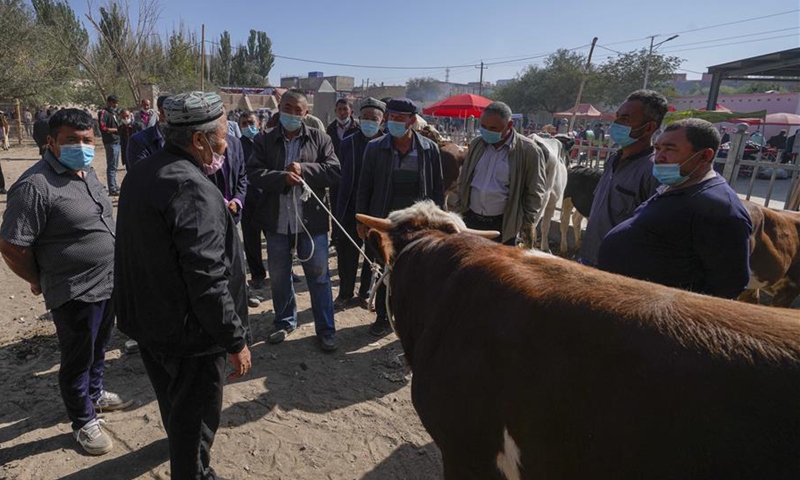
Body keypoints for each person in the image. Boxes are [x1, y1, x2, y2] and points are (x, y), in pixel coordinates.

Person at [115, 92, 251, 480]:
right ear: (198, 139)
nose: (226, 145)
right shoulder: (191, 188)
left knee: (175, 408)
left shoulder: (143, 171)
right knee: (195, 424)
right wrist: (235, 340)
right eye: (222, 136)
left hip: (152, 325)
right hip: (191, 337)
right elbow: (207, 279)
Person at [0, 109, 132, 456]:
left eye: (87, 140)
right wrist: (38, 278)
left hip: (107, 281)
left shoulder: (87, 172)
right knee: (77, 358)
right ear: (51, 142)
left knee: (99, 346)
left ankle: (95, 393)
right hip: (74, 290)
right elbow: (12, 246)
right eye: (71, 140)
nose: (82, 147)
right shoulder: (34, 186)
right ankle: (83, 420)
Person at [597, 118, 753, 299]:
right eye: (658, 149)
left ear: (704, 156)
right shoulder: (675, 186)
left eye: (670, 149)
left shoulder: (719, 208)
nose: (659, 157)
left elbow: (729, 286)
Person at [246, 90, 341, 351]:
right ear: (279, 108)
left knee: (319, 276)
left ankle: (326, 330)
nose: (291, 114)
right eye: (287, 108)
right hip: (276, 222)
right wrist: (281, 178)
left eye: (297, 110)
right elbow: (253, 173)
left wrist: (305, 170)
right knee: (279, 276)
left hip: (312, 225)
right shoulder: (264, 139)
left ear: (305, 113)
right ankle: (285, 321)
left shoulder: (321, 139)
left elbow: (334, 172)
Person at [356, 97, 444, 336]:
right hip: (386, 219)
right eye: (391, 117)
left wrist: (439, 221)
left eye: (399, 118)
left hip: (418, 222)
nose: (393, 121)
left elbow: (437, 188)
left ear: (412, 120)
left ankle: (410, 316)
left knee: (418, 268)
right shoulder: (375, 148)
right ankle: (383, 316)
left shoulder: (429, 149)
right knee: (386, 268)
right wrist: (362, 219)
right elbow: (364, 186)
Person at [579, 90, 666, 266]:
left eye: (625, 119)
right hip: (590, 255)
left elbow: (654, 232)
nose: (616, 123)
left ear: (649, 128)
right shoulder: (613, 160)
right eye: (617, 117)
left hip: (618, 266)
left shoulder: (654, 172)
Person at [456, 101, 547, 245]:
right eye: (483, 127)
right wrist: (459, 207)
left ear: (509, 125)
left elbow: (535, 191)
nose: (487, 132)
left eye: (493, 128)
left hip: (503, 225)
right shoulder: (476, 144)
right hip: (470, 220)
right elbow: (464, 178)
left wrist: (526, 223)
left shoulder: (529, 151)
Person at [334, 97, 385, 311]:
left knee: (373, 253)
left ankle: (365, 292)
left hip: (377, 209)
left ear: (382, 121)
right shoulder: (348, 143)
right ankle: (345, 293)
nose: (368, 122)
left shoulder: (387, 145)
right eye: (365, 117)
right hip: (350, 206)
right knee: (347, 252)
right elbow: (340, 175)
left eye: (373, 118)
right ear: (359, 118)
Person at [239, 111, 269, 291]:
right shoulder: (237, 146)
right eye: (243, 124)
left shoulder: (268, 143)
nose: (247, 126)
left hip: (268, 198)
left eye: (250, 122)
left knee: (276, 239)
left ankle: (285, 271)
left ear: (258, 123)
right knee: (251, 241)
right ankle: (258, 275)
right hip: (248, 200)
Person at [326, 99, 360, 220]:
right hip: (335, 173)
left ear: (351, 112)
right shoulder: (330, 129)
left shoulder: (358, 129)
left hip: (353, 172)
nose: (342, 112)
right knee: (336, 206)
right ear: (335, 111)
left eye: (345, 109)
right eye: (339, 109)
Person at [127, 94, 169, 167]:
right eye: (144, 105)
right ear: (162, 111)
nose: (146, 107)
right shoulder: (137, 116)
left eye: (148, 105)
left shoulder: (154, 115)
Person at [98, 95, 122, 195]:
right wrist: (116, 130)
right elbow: (103, 127)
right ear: (108, 102)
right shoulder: (104, 113)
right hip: (110, 141)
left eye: (116, 103)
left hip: (117, 141)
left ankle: (114, 185)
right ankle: (112, 188)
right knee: (112, 165)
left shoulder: (114, 113)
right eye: (113, 103)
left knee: (115, 165)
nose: (115, 105)